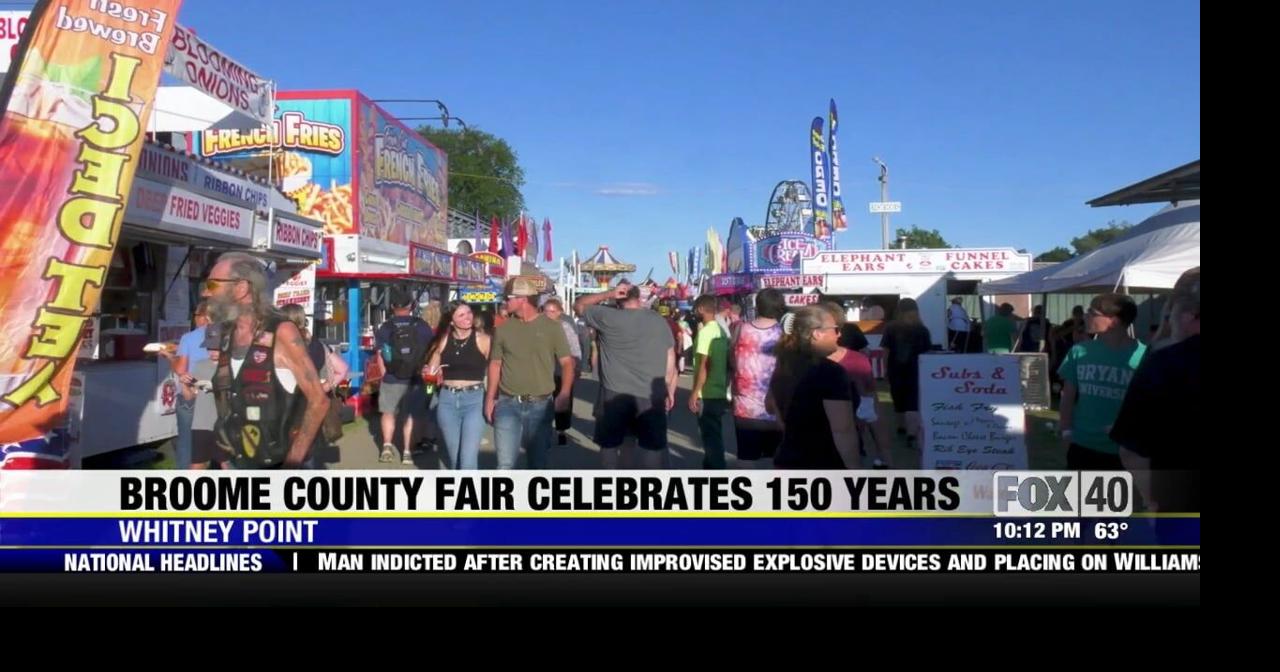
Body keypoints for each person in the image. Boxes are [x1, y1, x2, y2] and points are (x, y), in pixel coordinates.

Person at [203, 252, 328, 469]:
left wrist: (292, 464)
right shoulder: (227, 334)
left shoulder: (282, 332)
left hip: (278, 465)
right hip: (237, 461)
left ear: (241, 288)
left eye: (213, 285)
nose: (206, 292)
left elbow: (319, 400)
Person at [1112, 268, 1199, 513]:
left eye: (1170, 315)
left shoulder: (1164, 364)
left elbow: (1132, 452)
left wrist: (1151, 501)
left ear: (1188, 316)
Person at [575, 281, 677, 469]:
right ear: (639, 298)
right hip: (650, 395)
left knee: (612, 445)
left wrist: (608, 294)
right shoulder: (658, 320)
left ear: (619, 298)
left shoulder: (607, 316)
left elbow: (579, 305)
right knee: (651, 446)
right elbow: (670, 358)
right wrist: (668, 388)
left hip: (615, 393)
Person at [486, 277, 575, 469]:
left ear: (522, 299)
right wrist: (490, 398)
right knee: (505, 465)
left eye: (508, 298)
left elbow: (567, 363)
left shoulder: (552, 327)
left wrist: (565, 393)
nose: (505, 302)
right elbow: (495, 364)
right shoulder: (503, 329)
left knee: (537, 464)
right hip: (507, 403)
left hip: (541, 406)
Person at [1057, 293, 1147, 470]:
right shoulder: (1079, 351)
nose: (1085, 316)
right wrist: (1066, 431)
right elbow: (1067, 396)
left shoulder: (1144, 355)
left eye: (1092, 312)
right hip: (1082, 444)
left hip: (1124, 450)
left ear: (1113, 321)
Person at [768, 306, 859, 468]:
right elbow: (842, 430)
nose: (839, 334)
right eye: (835, 329)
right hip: (823, 465)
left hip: (787, 462)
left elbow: (772, 409)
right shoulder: (830, 372)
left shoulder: (784, 367)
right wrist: (854, 471)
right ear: (817, 333)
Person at [426, 301, 491, 470]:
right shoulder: (443, 341)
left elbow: (495, 370)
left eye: (469, 312)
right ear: (451, 321)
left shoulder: (483, 340)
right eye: (461, 315)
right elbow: (430, 375)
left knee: (467, 460)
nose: (468, 317)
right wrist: (429, 377)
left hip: (474, 400)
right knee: (455, 460)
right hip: (447, 401)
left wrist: (494, 397)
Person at [374, 289, 433, 465]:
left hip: (392, 377)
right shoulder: (422, 326)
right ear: (411, 306)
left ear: (392, 307)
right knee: (412, 415)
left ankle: (386, 447)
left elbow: (380, 354)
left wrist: (385, 375)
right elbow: (431, 352)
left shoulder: (386, 327)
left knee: (388, 412)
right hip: (416, 378)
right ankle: (407, 452)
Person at [729, 289, 785, 468]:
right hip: (776, 406)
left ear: (757, 305)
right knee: (772, 458)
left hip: (745, 406)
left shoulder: (741, 329)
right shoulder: (784, 335)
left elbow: (732, 358)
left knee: (745, 458)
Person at [162, 301, 210, 469]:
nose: (195, 319)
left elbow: (181, 370)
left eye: (196, 315)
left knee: (186, 443)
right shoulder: (227, 335)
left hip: (191, 394)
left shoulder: (189, 338)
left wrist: (170, 357)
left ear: (204, 317)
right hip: (214, 395)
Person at [881, 298, 932, 447]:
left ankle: (901, 427)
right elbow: (928, 352)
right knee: (912, 401)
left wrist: (884, 368)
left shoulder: (891, 327)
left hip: (895, 368)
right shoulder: (922, 329)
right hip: (916, 369)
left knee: (898, 398)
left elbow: (886, 350)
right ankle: (911, 434)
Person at [689, 294, 731, 469]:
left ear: (700, 309)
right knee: (714, 436)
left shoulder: (706, 332)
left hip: (706, 394)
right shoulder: (720, 330)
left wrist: (694, 393)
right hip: (720, 391)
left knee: (711, 440)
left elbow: (704, 366)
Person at [541, 297, 582, 446]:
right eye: (546, 311)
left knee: (563, 400)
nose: (548, 314)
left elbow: (575, 348)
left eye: (552, 311)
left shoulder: (565, 326)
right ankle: (543, 430)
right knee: (542, 401)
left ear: (559, 312)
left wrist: (577, 368)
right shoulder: (537, 326)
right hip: (542, 369)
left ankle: (561, 430)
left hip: (562, 369)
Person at [189, 322, 230, 469]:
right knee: (197, 463)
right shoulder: (200, 365)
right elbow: (190, 395)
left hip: (224, 424)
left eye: (216, 348)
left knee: (226, 463)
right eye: (209, 348)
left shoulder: (231, 366)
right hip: (201, 423)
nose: (211, 352)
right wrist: (185, 381)